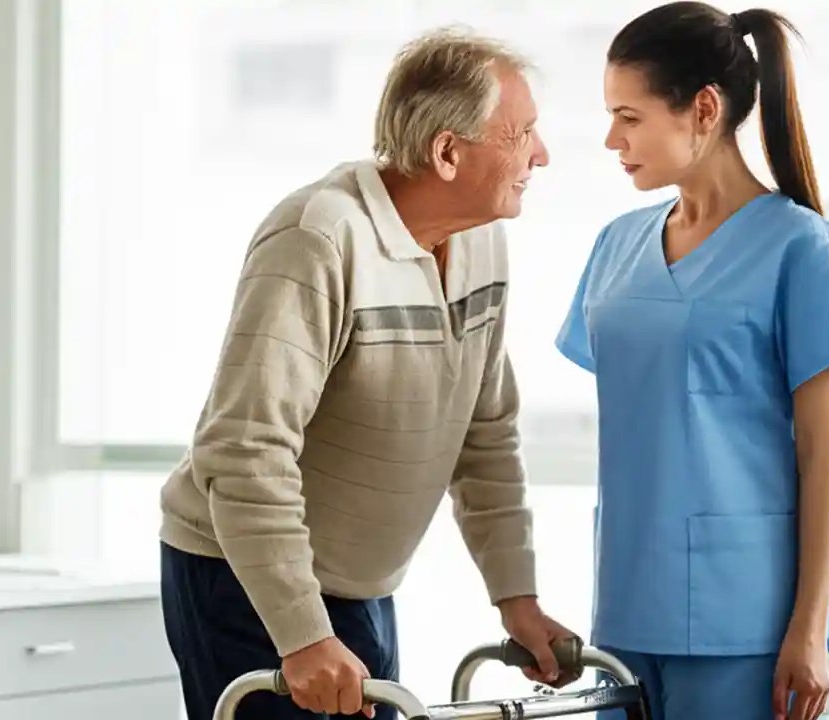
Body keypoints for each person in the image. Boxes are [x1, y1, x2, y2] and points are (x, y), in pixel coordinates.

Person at [159, 27, 575, 720]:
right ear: (448, 151)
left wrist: (517, 600)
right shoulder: (317, 238)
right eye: (521, 134)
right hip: (245, 582)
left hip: (362, 585)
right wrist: (303, 633)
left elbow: (486, 433)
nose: (542, 154)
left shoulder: (482, 242)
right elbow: (244, 450)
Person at [555, 3, 829, 720]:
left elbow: (825, 453)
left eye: (629, 117)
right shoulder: (617, 245)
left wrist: (809, 629)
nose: (611, 138)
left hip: (744, 620)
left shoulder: (800, 247)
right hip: (627, 605)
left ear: (702, 109)